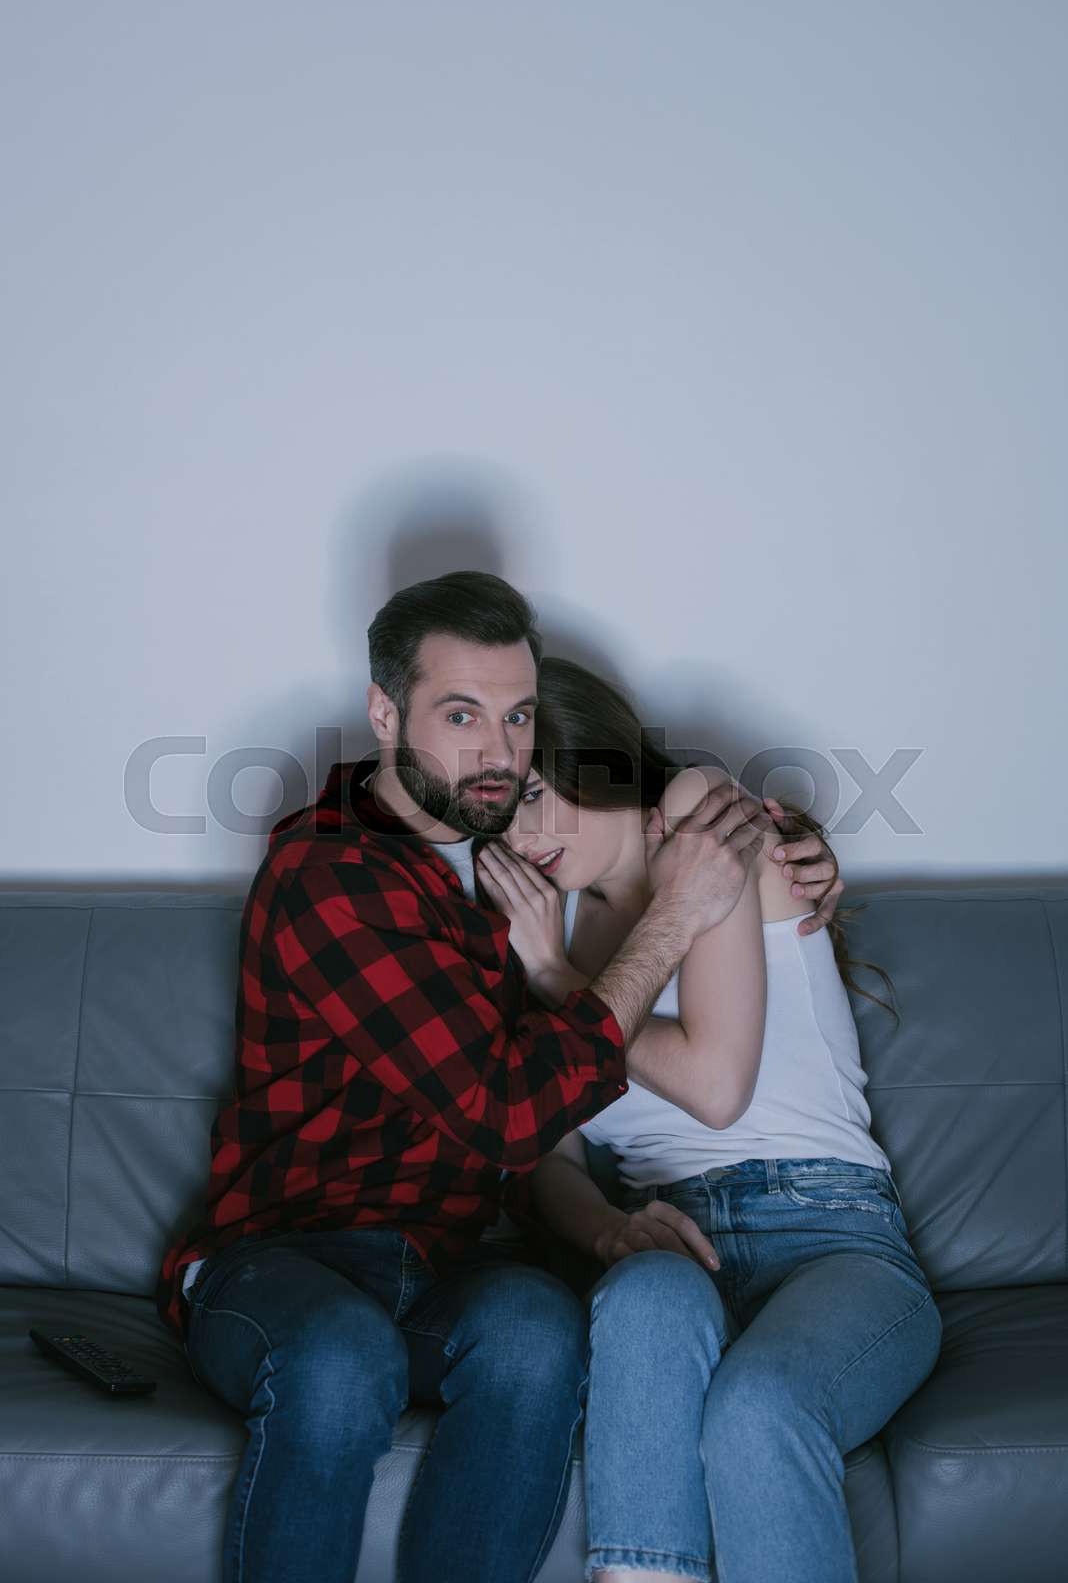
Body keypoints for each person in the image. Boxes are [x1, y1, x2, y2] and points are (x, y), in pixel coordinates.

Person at [154, 571, 841, 1583]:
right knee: (342, 1357)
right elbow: (509, 1110)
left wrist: (798, 855)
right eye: (460, 712)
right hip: (279, 1259)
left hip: (432, 1269)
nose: (498, 752)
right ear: (386, 712)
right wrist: (673, 918)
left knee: (534, 1330)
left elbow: (633, 828)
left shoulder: (506, 873)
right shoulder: (331, 876)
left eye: (517, 717)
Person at [477, 654, 942, 1583]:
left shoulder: (698, 810)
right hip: (671, 1236)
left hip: (832, 1236)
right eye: (499, 815)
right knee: (642, 1299)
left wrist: (562, 989)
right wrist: (609, 1231)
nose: (521, 839)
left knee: (758, 1409)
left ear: (589, 756)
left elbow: (717, 1086)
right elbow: (549, 1160)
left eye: (533, 795)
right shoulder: (544, 921)